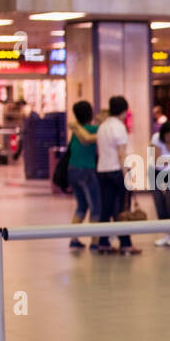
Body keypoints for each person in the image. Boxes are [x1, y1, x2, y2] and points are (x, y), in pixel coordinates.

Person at [94, 95, 139, 254]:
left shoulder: (103, 126)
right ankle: (125, 243)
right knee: (122, 208)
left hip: (102, 170)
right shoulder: (119, 127)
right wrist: (127, 175)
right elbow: (121, 155)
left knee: (106, 209)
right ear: (124, 111)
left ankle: (103, 242)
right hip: (116, 171)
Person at [65, 101, 100, 250]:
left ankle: (74, 238)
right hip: (86, 171)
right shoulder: (93, 129)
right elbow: (88, 139)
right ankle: (95, 242)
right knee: (96, 207)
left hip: (72, 171)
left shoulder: (76, 130)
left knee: (82, 205)